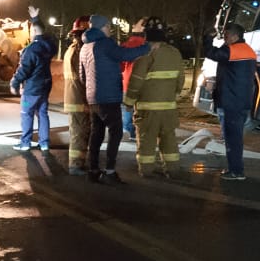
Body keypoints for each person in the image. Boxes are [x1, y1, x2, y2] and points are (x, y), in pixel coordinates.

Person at [79, 14, 150, 184]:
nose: (110, 29)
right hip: (108, 97)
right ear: (102, 27)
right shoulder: (105, 44)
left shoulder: (85, 47)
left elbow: (82, 76)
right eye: (108, 26)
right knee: (115, 132)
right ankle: (110, 171)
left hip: (92, 98)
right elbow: (125, 54)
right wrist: (147, 47)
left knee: (96, 134)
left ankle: (93, 169)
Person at [123, 17, 185, 178]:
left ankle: (146, 171)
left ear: (146, 36)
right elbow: (180, 80)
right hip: (169, 109)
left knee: (146, 141)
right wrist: (172, 96)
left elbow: (135, 82)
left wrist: (128, 103)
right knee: (169, 140)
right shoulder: (175, 53)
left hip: (147, 110)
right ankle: (173, 169)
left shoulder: (145, 55)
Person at [204, 23, 257, 180]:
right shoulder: (247, 50)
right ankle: (236, 169)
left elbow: (211, 53)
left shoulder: (234, 50)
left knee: (232, 138)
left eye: (226, 36)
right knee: (235, 137)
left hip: (231, 102)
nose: (225, 39)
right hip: (241, 100)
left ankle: (236, 171)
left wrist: (208, 38)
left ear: (235, 36)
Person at [9, 5, 57, 152]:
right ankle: (44, 143)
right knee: (42, 113)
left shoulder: (31, 50)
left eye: (31, 30)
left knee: (27, 113)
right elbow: (41, 30)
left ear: (34, 32)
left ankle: (25, 143)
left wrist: (15, 82)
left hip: (32, 87)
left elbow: (24, 69)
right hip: (45, 85)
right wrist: (35, 18)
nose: (29, 34)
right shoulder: (49, 45)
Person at [62, 15, 91, 175]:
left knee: (80, 133)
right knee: (79, 134)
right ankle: (75, 165)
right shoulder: (79, 52)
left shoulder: (72, 50)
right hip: (79, 99)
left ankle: (78, 163)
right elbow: (85, 78)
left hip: (77, 99)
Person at [120, 19, 146, 140]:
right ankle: (140, 132)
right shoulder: (150, 46)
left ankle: (128, 131)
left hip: (128, 83)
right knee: (142, 110)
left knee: (128, 109)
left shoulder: (127, 45)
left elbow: (119, 65)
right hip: (145, 84)